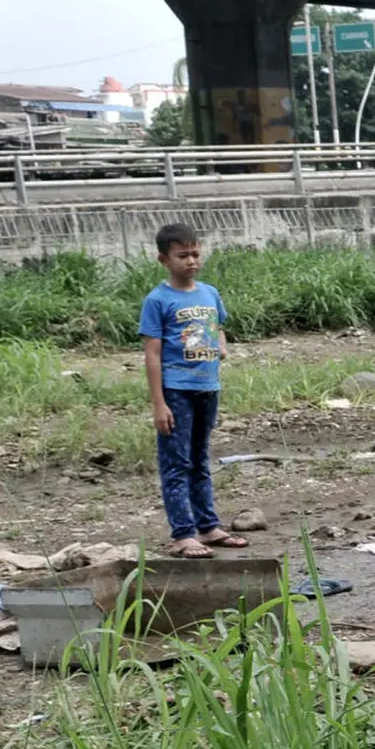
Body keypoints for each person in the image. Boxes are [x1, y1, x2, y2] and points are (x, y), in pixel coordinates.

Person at [139, 223, 246, 559]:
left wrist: (222, 346)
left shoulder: (210, 293)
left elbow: (219, 327)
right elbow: (152, 353)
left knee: (199, 458)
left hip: (207, 386)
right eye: (182, 255)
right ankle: (183, 534)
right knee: (176, 462)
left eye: (195, 254)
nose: (191, 261)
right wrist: (159, 404)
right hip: (176, 390)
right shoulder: (157, 300)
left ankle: (208, 526)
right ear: (163, 259)